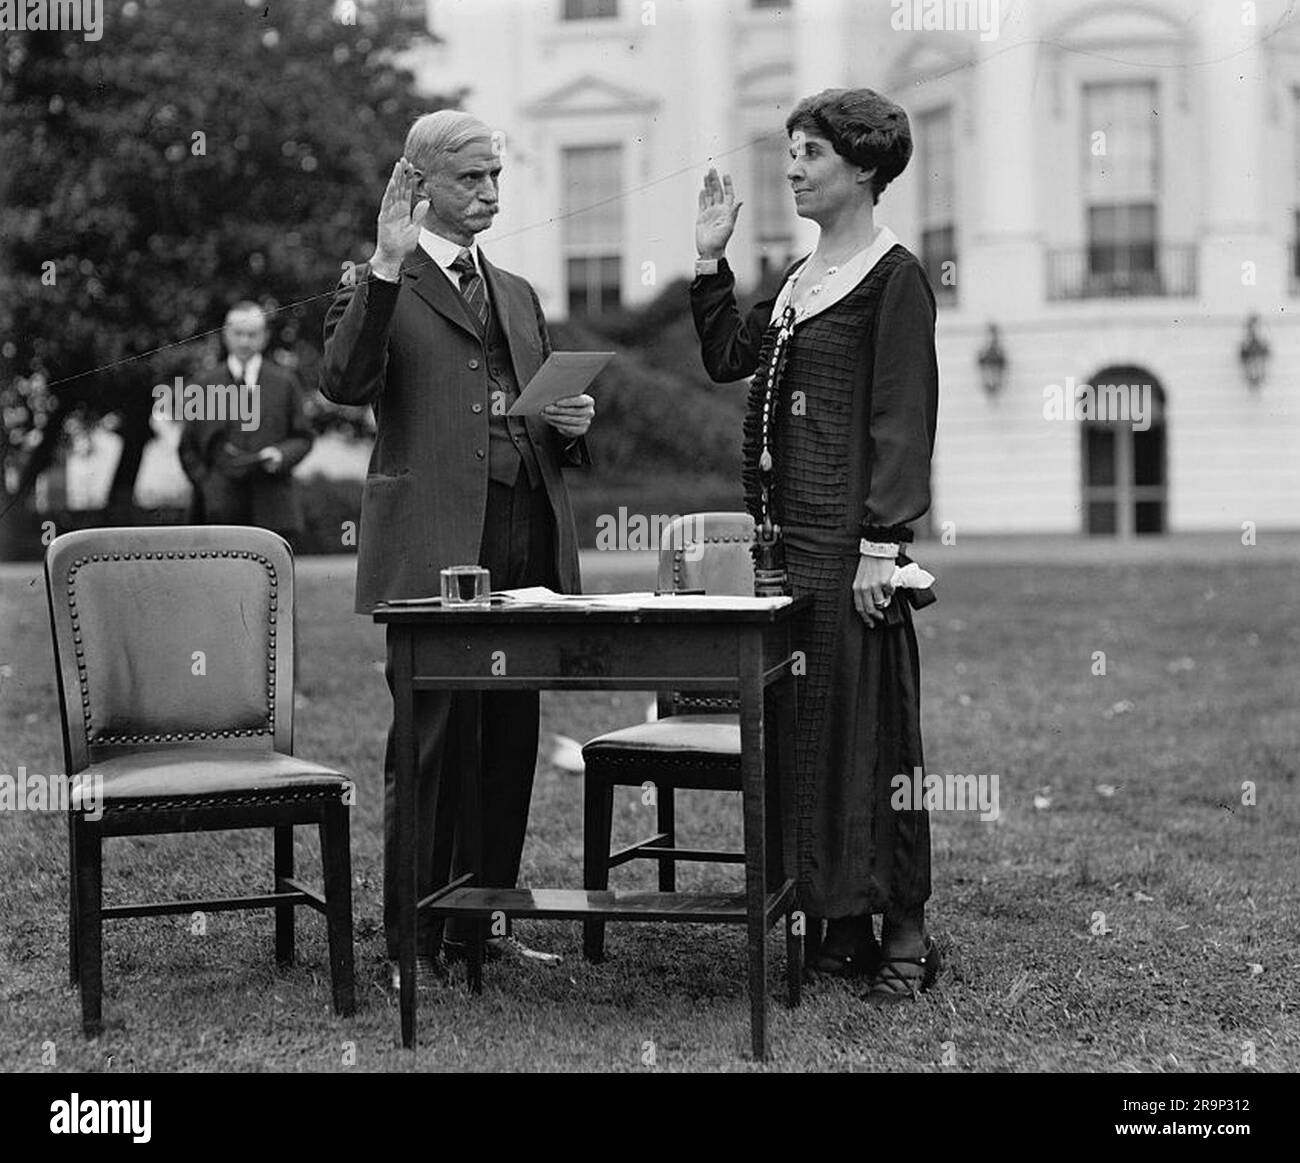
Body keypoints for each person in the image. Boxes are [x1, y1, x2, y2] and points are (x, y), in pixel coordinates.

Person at [320, 111, 595, 988]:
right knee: (434, 742)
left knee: (510, 736)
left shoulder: (515, 290)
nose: (490, 193)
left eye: (496, 177)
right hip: (432, 542)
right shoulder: (378, 280)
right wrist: (387, 264)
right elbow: (345, 382)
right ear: (419, 183)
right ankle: (414, 939)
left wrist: (571, 423)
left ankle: (485, 926)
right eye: (472, 178)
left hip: (526, 536)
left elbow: (535, 407)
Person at [690, 89, 940, 1002]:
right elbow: (727, 355)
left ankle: (904, 932)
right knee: (812, 731)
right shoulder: (801, 280)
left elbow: (902, 417)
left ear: (865, 168)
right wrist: (711, 257)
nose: (792, 168)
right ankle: (837, 923)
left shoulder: (893, 276)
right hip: (787, 550)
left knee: (872, 732)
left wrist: (885, 543)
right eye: (792, 151)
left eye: (811, 154)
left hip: (853, 544)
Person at [178, 301, 314, 548]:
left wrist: (281, 455)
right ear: (225, 335)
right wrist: (208, 484)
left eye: (252, 335)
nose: (244, 342)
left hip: (273, 508)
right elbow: (188, 448)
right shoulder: (203, 384)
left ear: (264, 337)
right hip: (218, 513)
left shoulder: (285, 383)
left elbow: (303, 437)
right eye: (238, 334)